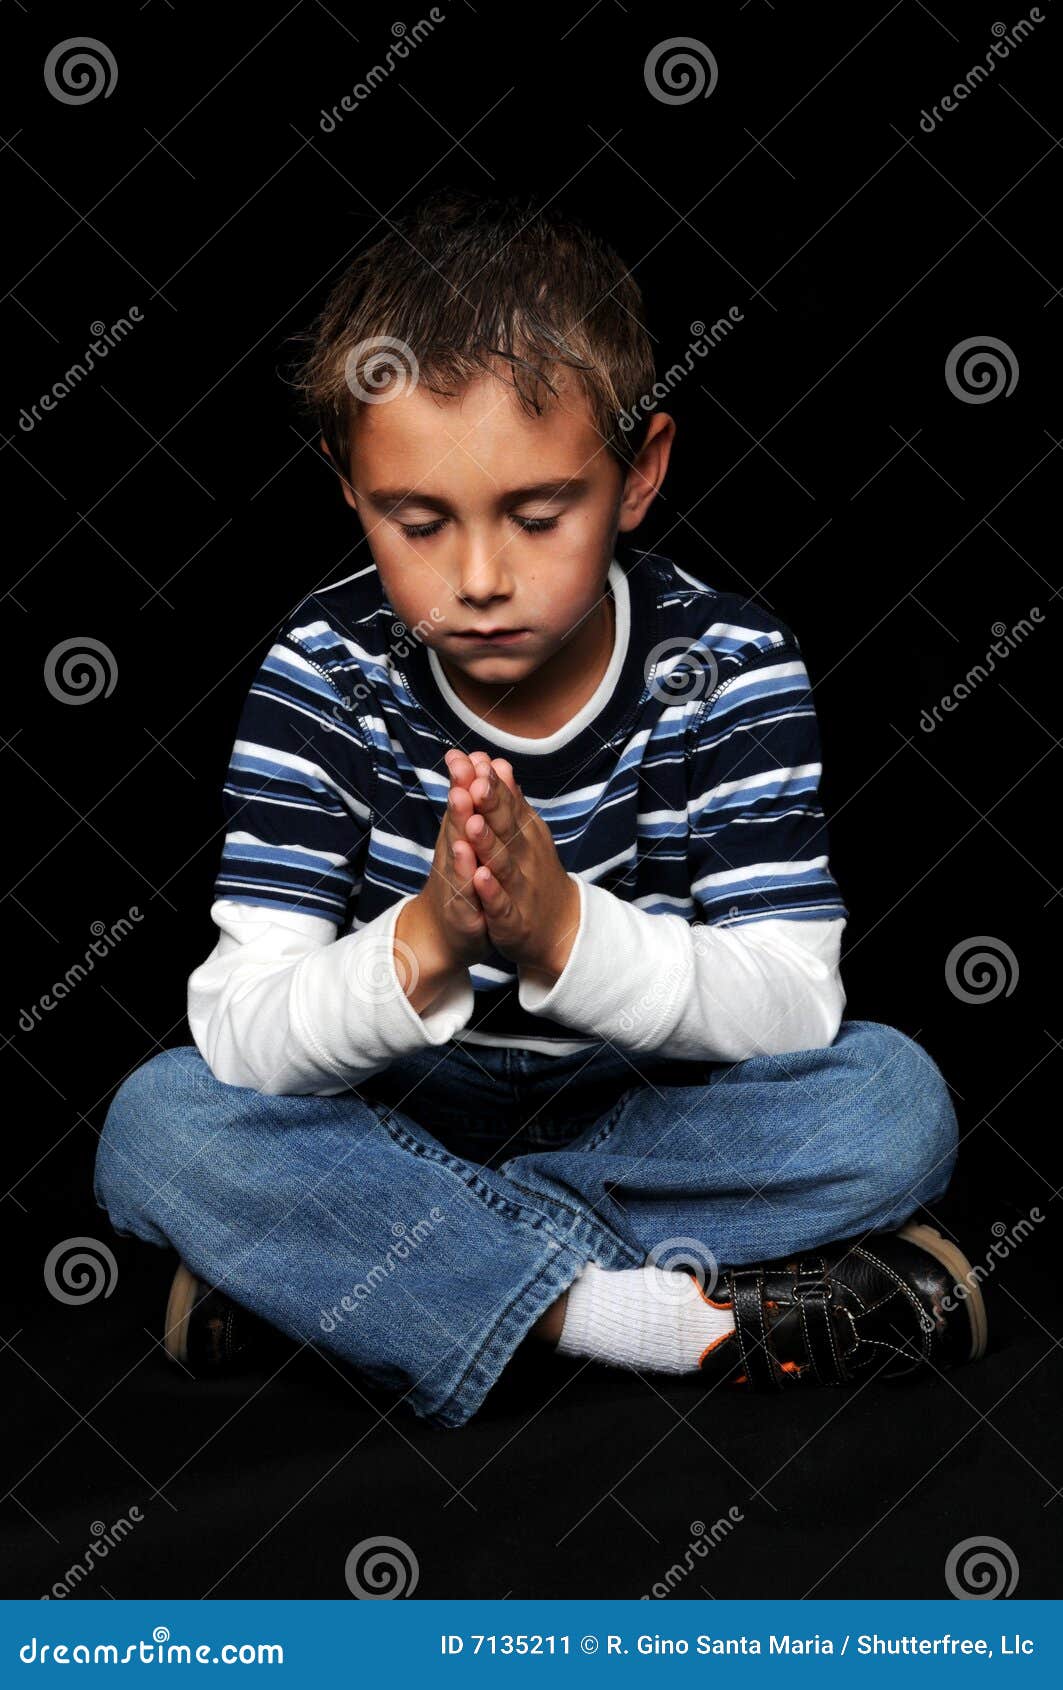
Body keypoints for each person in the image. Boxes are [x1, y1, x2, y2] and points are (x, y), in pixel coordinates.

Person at [93, 188, 986, 1429]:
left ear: (639, 473)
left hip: (639, 1111)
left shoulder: (730, 666)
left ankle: (353, 1278)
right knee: (161, 1124)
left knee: (890, 1101)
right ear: (349, 489)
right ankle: (623, 1317)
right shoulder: (322, 676)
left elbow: (794, 1006)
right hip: (397, 1100)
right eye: (418, 521)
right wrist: (427, 941)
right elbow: (244, 1031)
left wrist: (561, 929)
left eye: (536, 514)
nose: (478, 578)